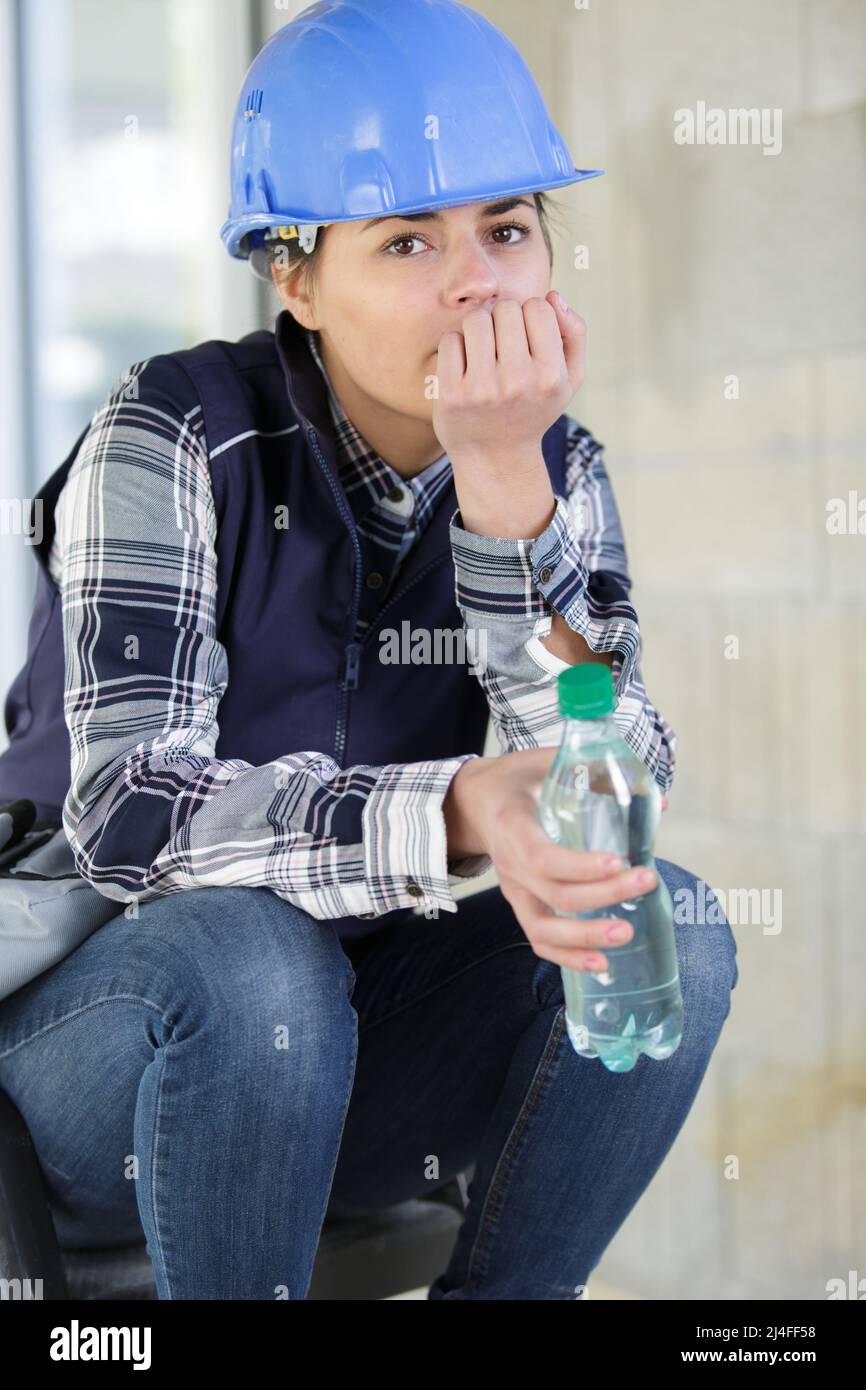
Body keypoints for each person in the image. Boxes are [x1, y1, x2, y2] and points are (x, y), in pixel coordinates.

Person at [0, 0, 737, 1299]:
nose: (478, 281)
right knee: (245, 949)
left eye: (507, 229)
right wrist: (454, 804)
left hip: (339, 1052)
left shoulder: (550, 464)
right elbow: (133, 820)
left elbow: (605, 776)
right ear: (294, 277)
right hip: (96, 1064)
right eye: (407, 239)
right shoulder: (170, 432)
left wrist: (505, 485)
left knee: (667, 908)